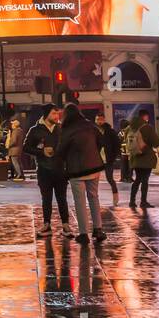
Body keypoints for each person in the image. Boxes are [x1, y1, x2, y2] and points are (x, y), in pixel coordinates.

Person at [53, 104, 106, 244]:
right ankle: (98, 229)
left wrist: (62, 162)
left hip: (76, 170)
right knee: (94, 197)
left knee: (80, 200)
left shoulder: (67, 129)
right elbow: (101, 141)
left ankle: (84, 233)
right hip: (94, 167)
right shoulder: (90, 125)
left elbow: (61, 151)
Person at [28, 103, 69, 234]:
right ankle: (47, 225)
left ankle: (66, 225)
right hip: (44, 170)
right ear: (46, 115)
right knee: (46, 199)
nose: (57, 116)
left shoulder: (61, 128)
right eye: (53, 113)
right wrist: (41, 152)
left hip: (60, 170)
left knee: (62, 198)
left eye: (58, 113)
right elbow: (26, 147)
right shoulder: (35, 130)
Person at [127, 111, 159, 209]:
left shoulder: (130, 127)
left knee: (137, 179)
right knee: (145, 180)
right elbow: (156, 143)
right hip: (146, 157)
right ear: (145, 116)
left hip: (135, 157)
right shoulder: (147, 127)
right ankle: (143, 201)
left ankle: (132, 201)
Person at [94, 112, 120, 206]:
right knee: (94, 180)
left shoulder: (110, 131)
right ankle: (94, 199)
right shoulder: (92, 131)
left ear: (104, 120)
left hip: (108, 159)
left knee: (110, 178)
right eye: (97, 119)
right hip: (96, 160)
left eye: (101, 119)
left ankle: (115, 196)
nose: (99, 121)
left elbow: (117, 144)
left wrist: (113, 157)